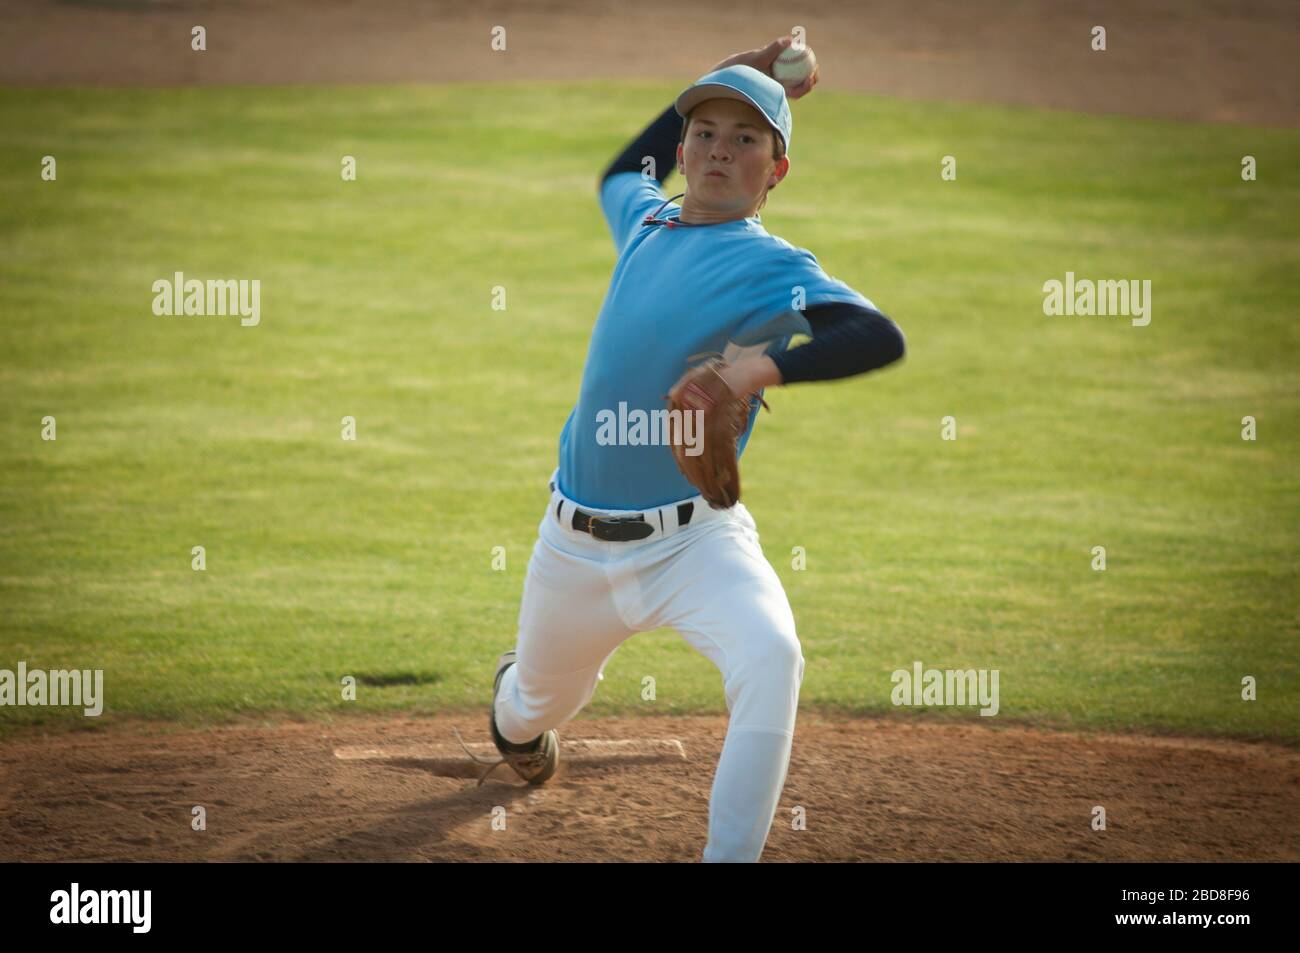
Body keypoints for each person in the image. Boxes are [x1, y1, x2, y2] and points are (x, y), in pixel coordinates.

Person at [479, 36, 906, 862]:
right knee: (531, 710)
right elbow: (618, 170)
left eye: (746, 139)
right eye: (705, 133)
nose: (720, 150)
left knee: (773, 653)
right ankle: (513, 712)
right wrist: (740, 60)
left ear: (775, 172)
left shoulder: (772, 268)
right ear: (681, 154)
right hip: (573, 548)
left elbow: (874, 334)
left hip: (695, 541)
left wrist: (759, 365)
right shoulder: (646, 221)